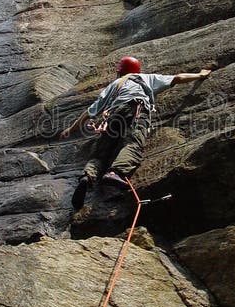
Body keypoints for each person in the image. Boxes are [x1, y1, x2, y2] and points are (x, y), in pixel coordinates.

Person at [59, 56, 211, 209]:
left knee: (100, 153)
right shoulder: (145, 78)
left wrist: (70, 130)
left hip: (112, 115)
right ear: (136, 69)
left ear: (120, 71)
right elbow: (178, 78)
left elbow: (90, 112)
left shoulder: (114, 85)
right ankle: (115, 173)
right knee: (133, 144)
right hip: (136, 110)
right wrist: (200, 75)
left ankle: (87, 176)